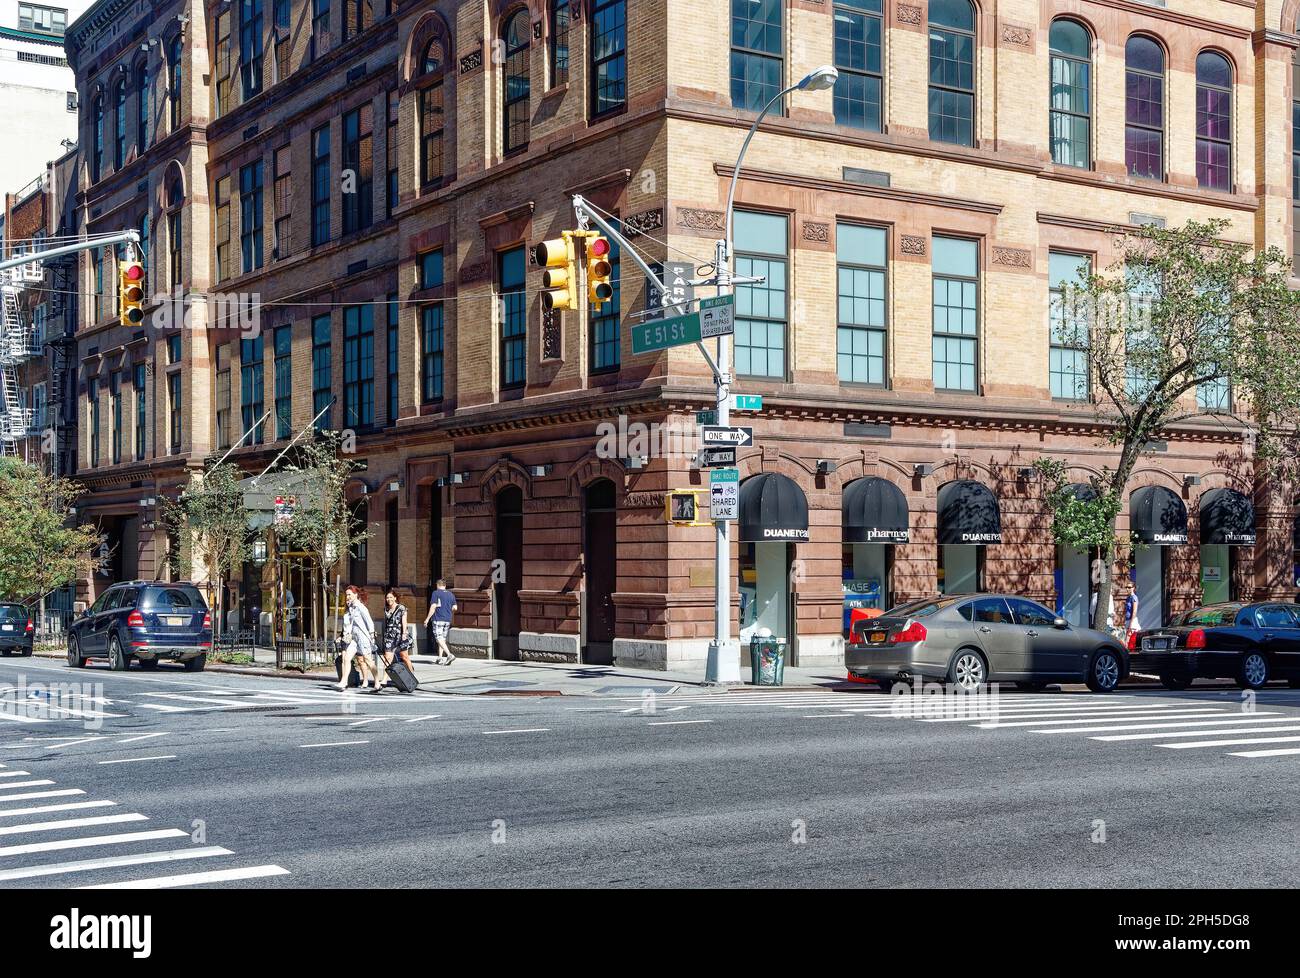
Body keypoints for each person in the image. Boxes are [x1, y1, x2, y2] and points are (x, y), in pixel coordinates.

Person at [336, 585, 380, 692]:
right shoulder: (350, 608)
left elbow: (369, 621)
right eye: (346, 595)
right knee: (346, 658)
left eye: (350, 594)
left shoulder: (361, 607)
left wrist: (371, 635)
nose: (348, 597)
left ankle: (377, 682)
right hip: (353, 638)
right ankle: (344, 682)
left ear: (355, 595)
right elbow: (347, 624)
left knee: (368, 661)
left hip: (363, 637)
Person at [381, 586, 414, 680]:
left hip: (400, 635)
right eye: (387, 598)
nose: (389, 599)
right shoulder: (386, 609)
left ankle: (412, 676)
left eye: (391, 597)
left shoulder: (401, 608)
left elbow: (404, 621)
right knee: (388, 658)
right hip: (389, 636)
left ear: (395, 598)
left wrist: (404, 633)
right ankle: (384, 679)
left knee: (404, 657)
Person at [424, 578, 457, 665]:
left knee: (439, 639)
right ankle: (440, 657)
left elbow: (433, 606)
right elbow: (455, 608)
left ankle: (449, 655)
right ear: (445, 585)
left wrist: (427, 619)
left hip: (438, 619)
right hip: (447, 620)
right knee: (442, 639)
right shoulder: (451, 594)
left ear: (437, 585)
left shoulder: (436, 593)